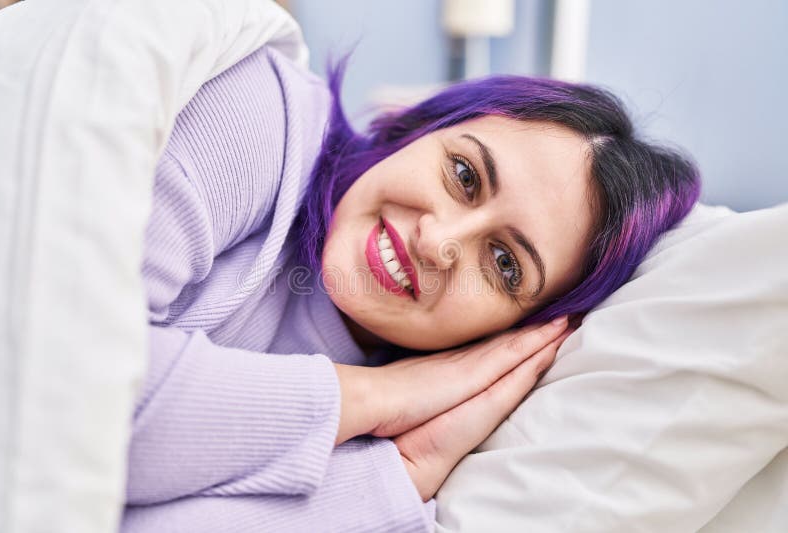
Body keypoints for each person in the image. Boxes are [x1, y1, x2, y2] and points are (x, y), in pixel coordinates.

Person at [120, 43, 700, 532]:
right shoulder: (260, 115)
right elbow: (78, 397)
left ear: (514, 330)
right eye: (464, 175)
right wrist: (379, 397)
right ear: (418, 128)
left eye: (504, 264)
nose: (437, 241)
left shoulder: (392, 458)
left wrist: (402, 468)